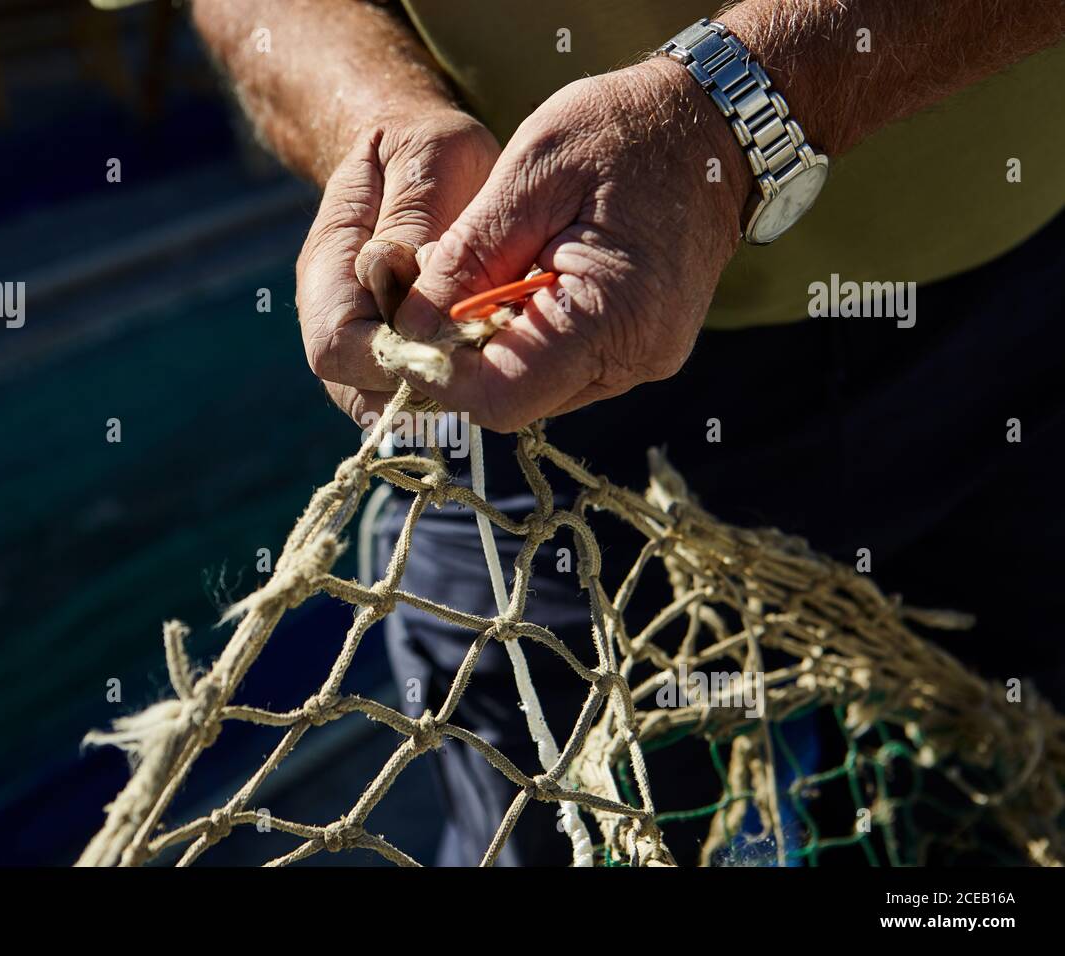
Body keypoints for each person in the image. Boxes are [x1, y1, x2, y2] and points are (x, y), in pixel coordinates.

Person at [192, 0, 1065, 865]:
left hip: (1014, 322)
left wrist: (731, 117)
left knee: (999, 818)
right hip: (539, 375)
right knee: (557, 825)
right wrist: (376, 123)